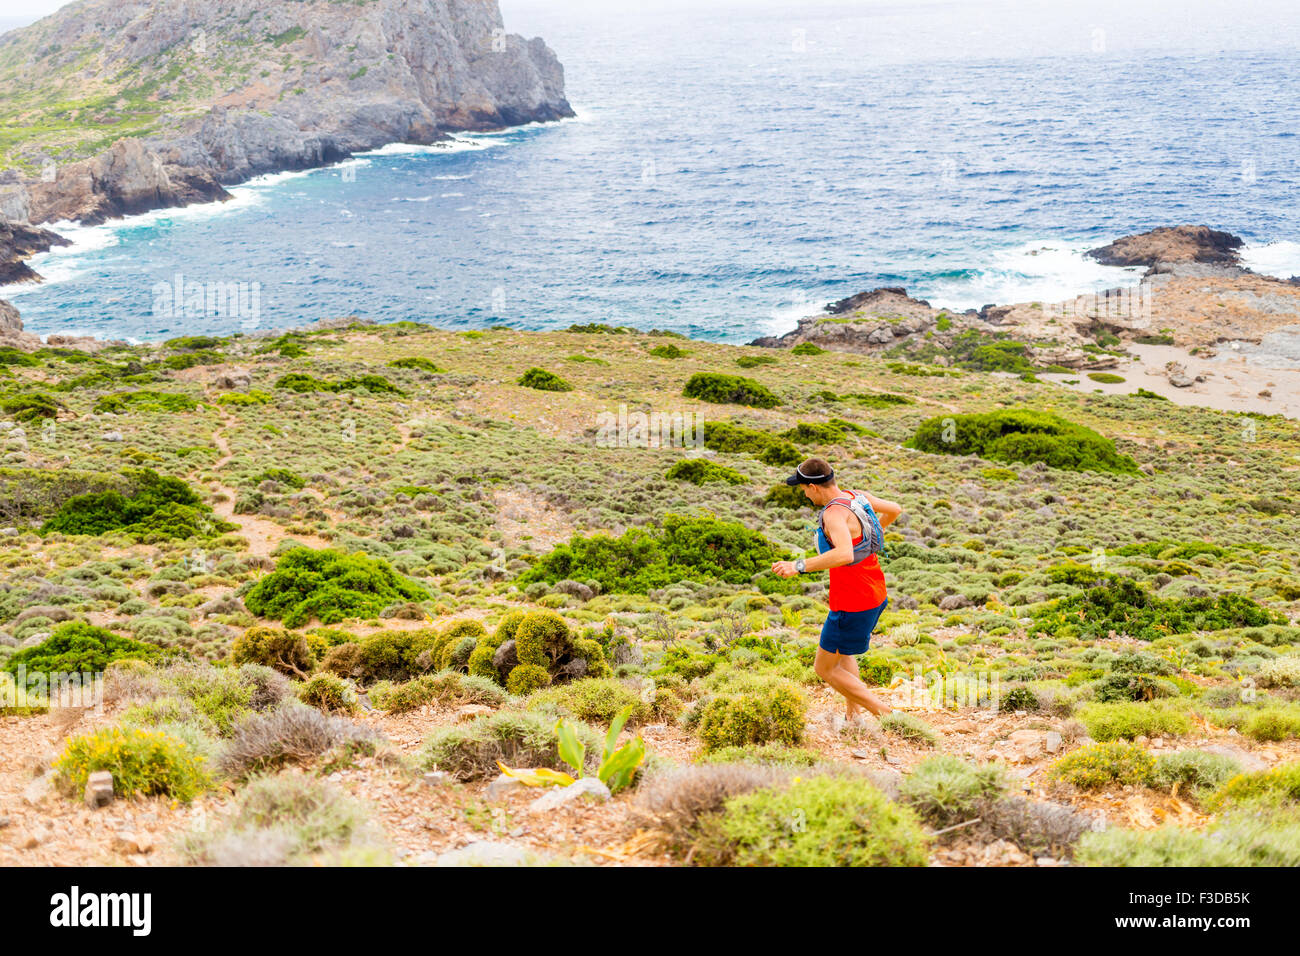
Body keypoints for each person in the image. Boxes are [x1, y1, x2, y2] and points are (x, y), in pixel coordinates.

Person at [771, 457, 902, 728]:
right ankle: (854, 718)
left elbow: (843, 554)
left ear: (814, 487)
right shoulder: (857, 497)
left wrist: (798, 566)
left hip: (852, 601)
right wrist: (867, 538)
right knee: (844, 655)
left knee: (824, 668)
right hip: (875, 591)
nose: (805, 494)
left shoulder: (833, 514)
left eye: (804, 489)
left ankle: (888, 716)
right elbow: (895, 509)